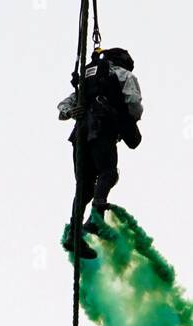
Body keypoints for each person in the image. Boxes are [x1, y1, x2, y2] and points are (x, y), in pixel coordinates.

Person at [58, 47, 143, 260]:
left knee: (84, 188)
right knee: (108, 173)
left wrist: (71, 112)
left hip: (79, 137)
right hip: (101, 130)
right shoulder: (123, 74)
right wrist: (126, 121)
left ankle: (75, 235)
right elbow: (134, 105)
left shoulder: (89, 79)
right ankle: (96, 218)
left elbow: (63, 107)